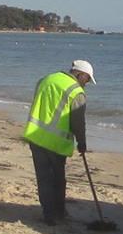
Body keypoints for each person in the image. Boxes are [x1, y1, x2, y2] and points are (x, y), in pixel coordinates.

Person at [23, 59, 94, 224]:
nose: (87, 83)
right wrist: (82, 142)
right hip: (56, 142)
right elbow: (78, 121)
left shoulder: (46, 79)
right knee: (58, 180)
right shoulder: (76, 92)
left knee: (43, 178)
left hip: (35, 136)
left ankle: (48, 213)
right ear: (80, 74)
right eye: (88, 79)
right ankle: (59, 213)